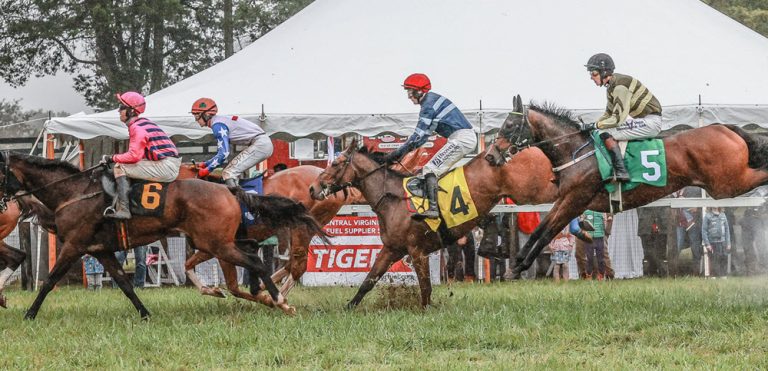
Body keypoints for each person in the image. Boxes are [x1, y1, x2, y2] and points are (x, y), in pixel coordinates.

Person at [383, 73, 477, 219]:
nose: (408, 96)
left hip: (462, 138)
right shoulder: (432, 100)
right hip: (462, 137)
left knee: (430, 168)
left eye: (410, 91)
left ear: (420, 91)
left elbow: (417, 136)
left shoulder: (428, 106)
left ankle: (433, 209)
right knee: (430, 170)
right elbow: (422, 139)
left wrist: (396, 154)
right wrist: (401, 153)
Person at [582, 53, 663, 182]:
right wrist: (593, 124)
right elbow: (608, 114)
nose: (591, 77)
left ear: (604, 72)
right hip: (644, 120)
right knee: (601, 129)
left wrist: (596, 125)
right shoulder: (611, 87)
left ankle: (621, 171)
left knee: (605, 132)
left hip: (651, 122)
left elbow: (618, 119)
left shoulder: (620, 86)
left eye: (594, 73)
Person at [101, 92, 181, 219]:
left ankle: (124, 209)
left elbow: (134, 156)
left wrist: (111, 157)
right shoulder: (143, 123)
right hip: (168, 163)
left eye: (122, 107)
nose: (118, 110)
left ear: (131, 111)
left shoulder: (137, 128)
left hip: (166, 166)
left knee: (119, 167)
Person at [191, 98, 273, 192]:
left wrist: (207, 170)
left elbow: (224, 154)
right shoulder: (219, 121)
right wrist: (205, 164)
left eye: (197, 115)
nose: (196, 119)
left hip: (260, 144)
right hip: (261, 143)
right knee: (230, 171)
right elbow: (221, 154)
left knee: (228, 173)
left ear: (206, 114)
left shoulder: (217, 126)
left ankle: (237, 202)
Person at [637, 204, 670, 277]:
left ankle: (663, 273)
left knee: (661, 252)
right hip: (645, 226)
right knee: (648, 252)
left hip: (661, 225)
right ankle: (649, 273)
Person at [579, 210, 610, 280]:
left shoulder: (602, 211)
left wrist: (603, 232)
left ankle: (601, 275)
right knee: (589, 258)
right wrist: (584, 232)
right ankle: (588, 274)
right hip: (589, 238)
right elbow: (581, 222)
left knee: (601, 258)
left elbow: (605, 222)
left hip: (599, 237)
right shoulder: (585, 211)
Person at [702, 207, 731, 278]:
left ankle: (723, 275)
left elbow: (727, 229)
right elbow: (704, 230)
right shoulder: (707, 216)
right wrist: (707, 244)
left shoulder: (723, 215)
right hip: (712, 242)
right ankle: (713, 276)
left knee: (723, 258)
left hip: (723, 241)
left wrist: (728, 242)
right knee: (714, 259)